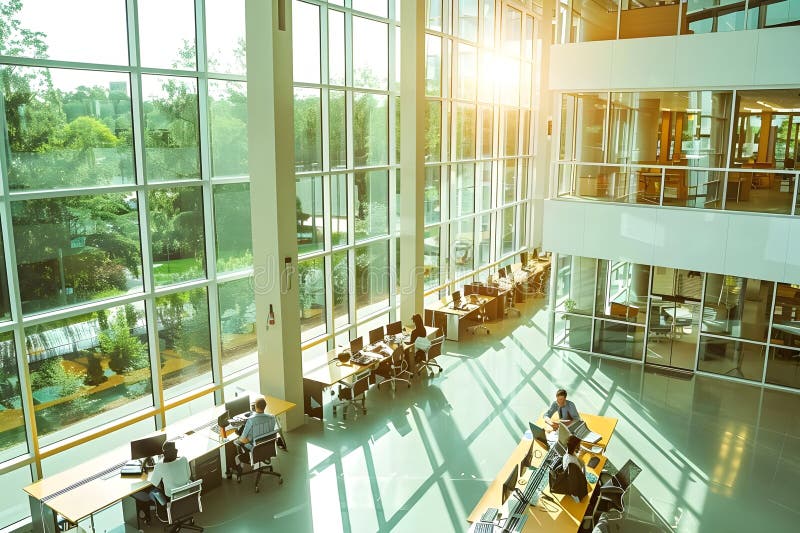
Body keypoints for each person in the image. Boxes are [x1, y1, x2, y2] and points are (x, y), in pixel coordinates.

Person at [132, 440, 190, 523]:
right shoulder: (184, 459)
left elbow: (154, 483)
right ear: (176, 451)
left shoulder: (160, 466)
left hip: (171, 499)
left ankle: (145, 513)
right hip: (186, 494)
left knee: (148, 491)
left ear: (164, 454)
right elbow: (188, 476)